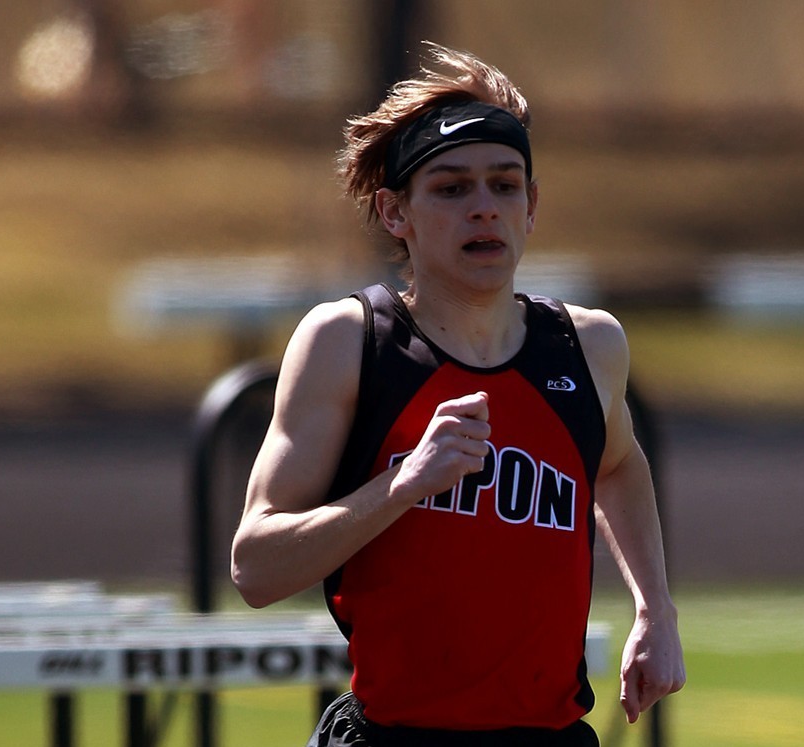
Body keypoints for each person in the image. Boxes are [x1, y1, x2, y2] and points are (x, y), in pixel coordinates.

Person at [231, 42, 684, 746]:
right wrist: (403, 483)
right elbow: (254, 565)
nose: (483, 209)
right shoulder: (351, 341)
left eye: (504, 185)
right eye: (450, 188)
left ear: (531, 206)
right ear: (393, 212)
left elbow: (618, 465)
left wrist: (655, 611)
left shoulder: (587, 347)